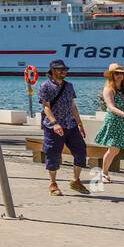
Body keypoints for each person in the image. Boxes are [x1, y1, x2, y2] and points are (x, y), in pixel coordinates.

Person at [38, 59, 89, 196]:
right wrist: (55, 123)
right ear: (53, 71)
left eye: (65, 70)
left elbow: (72, 106)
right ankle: (53, 183)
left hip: (71, 125)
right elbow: (46, 107)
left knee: (81, 151)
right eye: (60, 70)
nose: (64, 72)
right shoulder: (45, 86)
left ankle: (75, 180)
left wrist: (80, 123)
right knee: (53, 154)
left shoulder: (69, 86)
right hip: (53, 127)